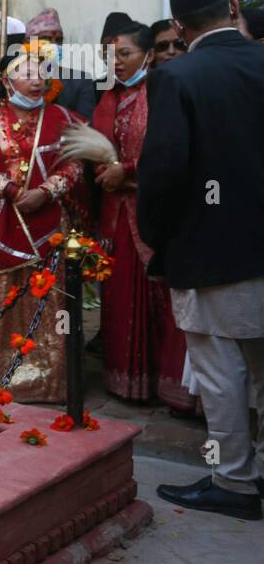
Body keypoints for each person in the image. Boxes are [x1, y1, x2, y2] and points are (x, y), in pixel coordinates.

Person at [139, 0, 264, 520]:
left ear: (177, 24)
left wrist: (156, 238)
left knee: (219, 372)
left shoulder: (178, 76)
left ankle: (235, 482)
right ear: (233, 5)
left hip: (210, 249)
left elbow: (164, 171)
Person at [0, 42, 87, 403]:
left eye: (40, 72)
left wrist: (46, 191)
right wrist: (10, 190)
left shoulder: (64, 119)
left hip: (49, 218)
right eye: (24, 73)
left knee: (47, 294)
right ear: (5, 81)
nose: (35, 80)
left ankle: (49, 379)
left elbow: (75, 164)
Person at [91, 22, 196, 413]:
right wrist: (103, 171)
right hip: (115, 211)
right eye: (109, 55)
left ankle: (173, 388)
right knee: (120, 296)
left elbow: (174, 150)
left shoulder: (165, 91)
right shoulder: (107, 96)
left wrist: (129, 169)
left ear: (147, 55)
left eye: (124, 54)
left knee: (163, 301)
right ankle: (128, 380)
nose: (115, 62)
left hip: (156, 211)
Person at [23, 7, 97, 120]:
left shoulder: (81, 81)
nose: (54, 45)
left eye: (59, 40)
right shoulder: (14, 79)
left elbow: (84, 127)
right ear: (28, 43)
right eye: (46, 39)